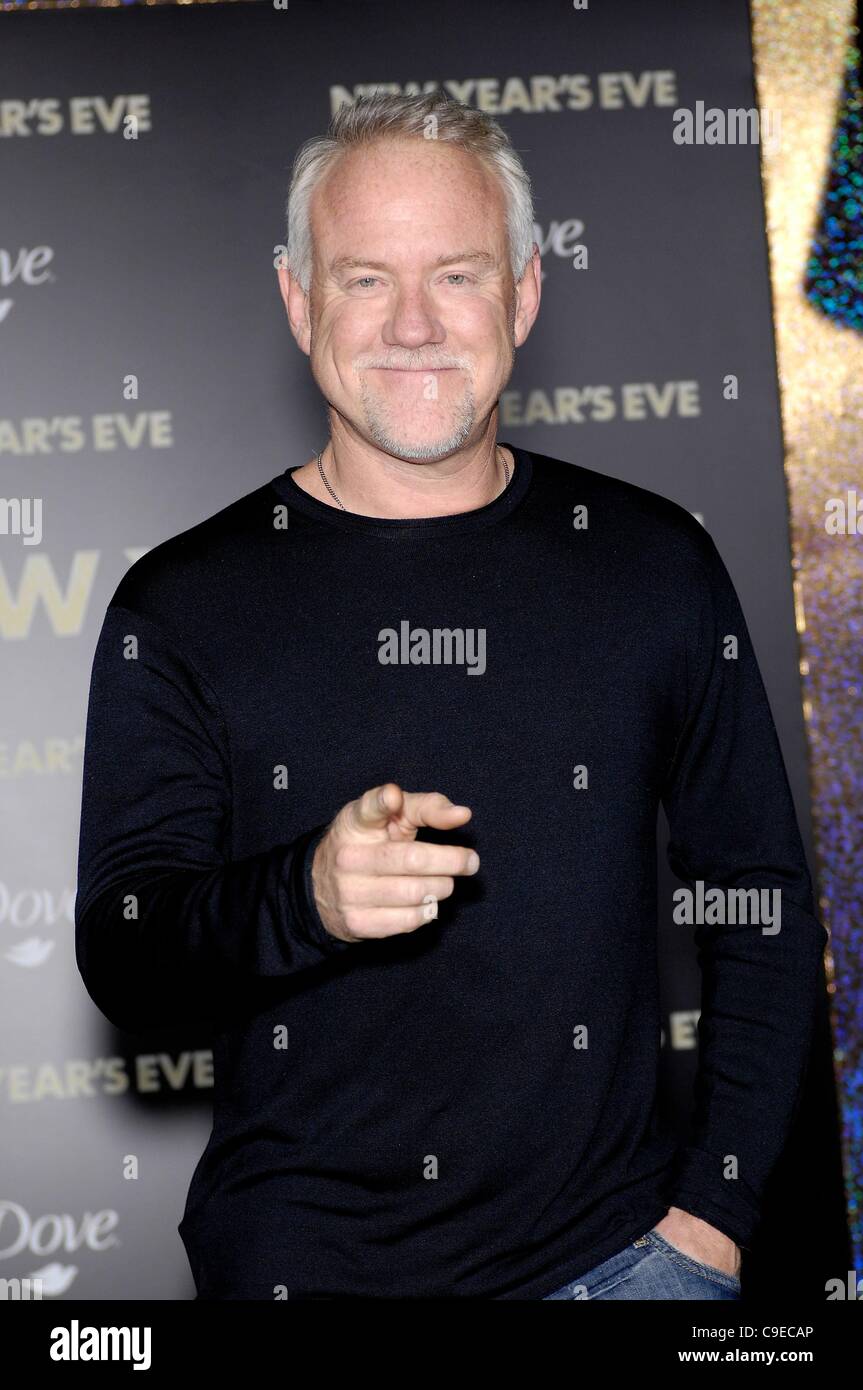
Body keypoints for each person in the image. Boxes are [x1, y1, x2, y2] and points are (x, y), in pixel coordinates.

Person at [75, 89, 827, 1300]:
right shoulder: (181, 604)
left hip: (628, 1267)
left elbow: (759, 906)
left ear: (525, 292)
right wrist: (302, 895)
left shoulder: (649, 562)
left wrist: (712, 1228)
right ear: (297, 297)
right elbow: (126, 958)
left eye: (459, 276)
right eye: (365, 278)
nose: (414, 324)